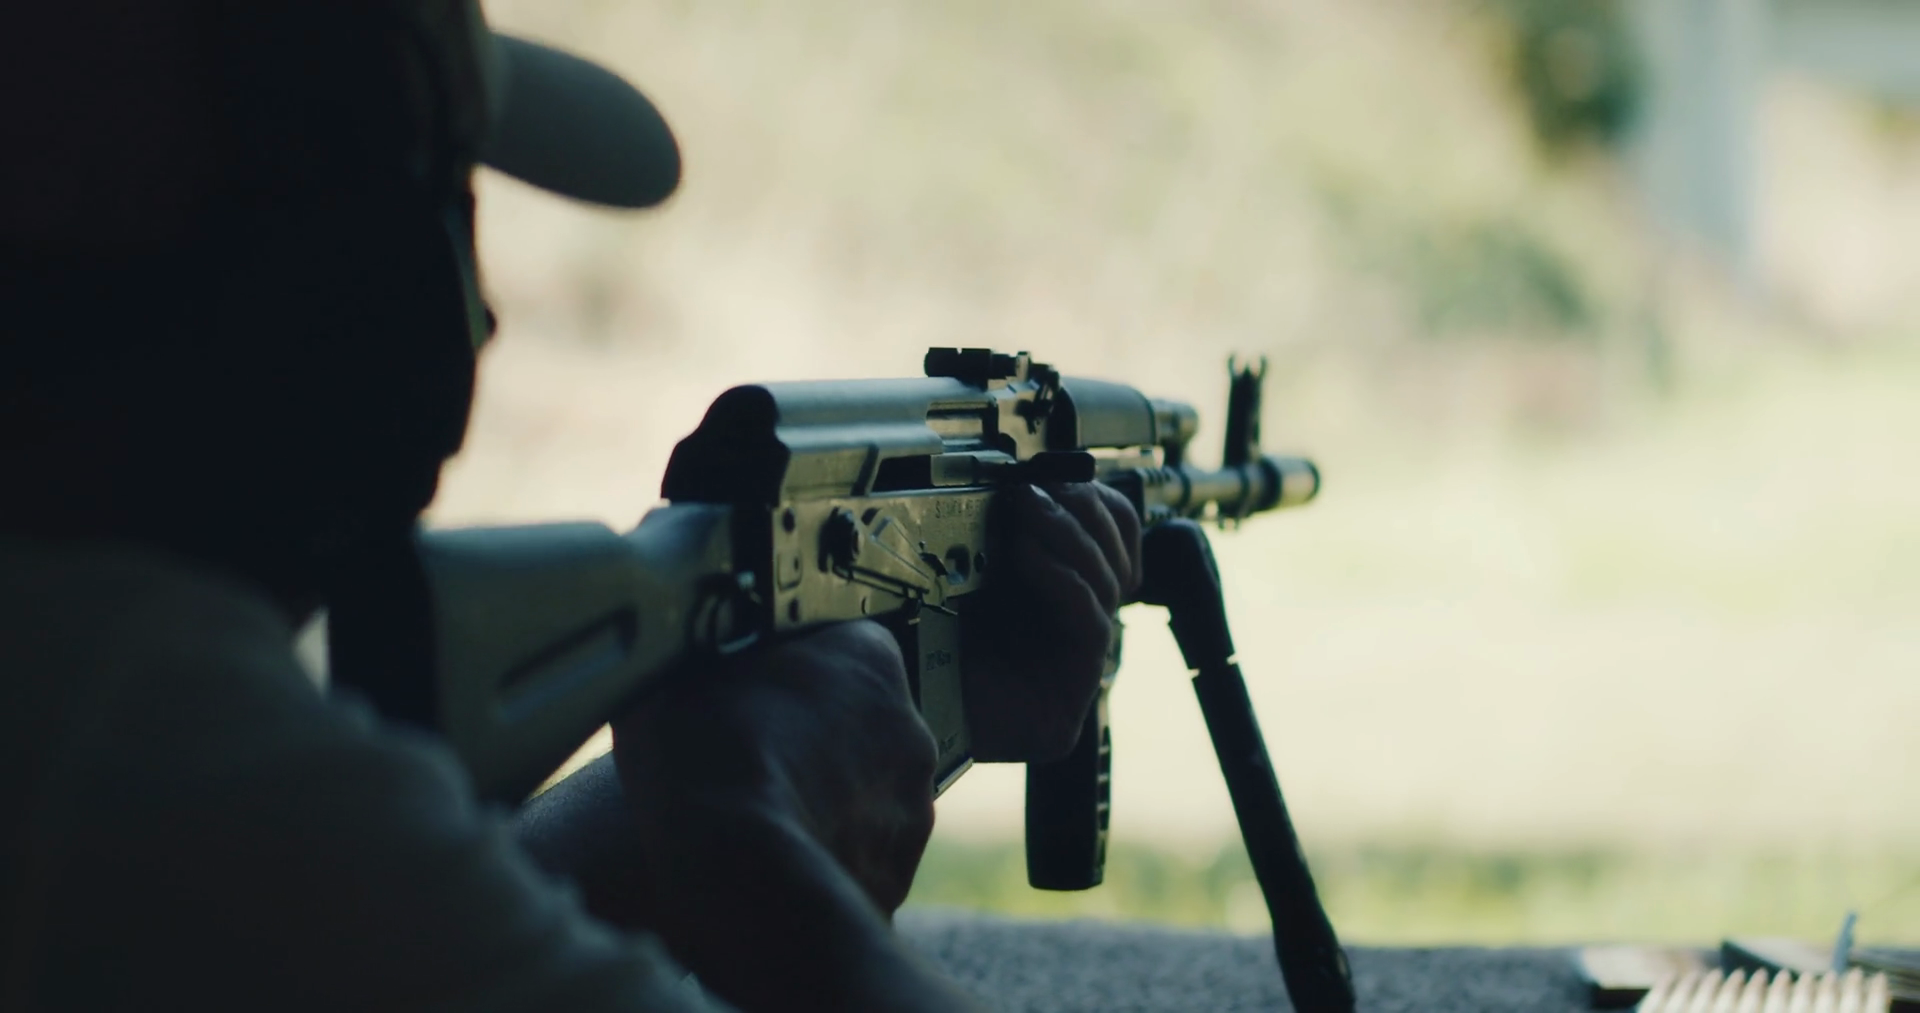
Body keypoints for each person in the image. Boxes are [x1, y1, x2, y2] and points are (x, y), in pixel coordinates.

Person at [0, 2, 1142, 1011]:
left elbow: (380, 935)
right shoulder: (129, 713)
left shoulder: (107, 710)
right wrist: (779, 887)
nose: (477, 315)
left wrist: (718, 789)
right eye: (433, 200)